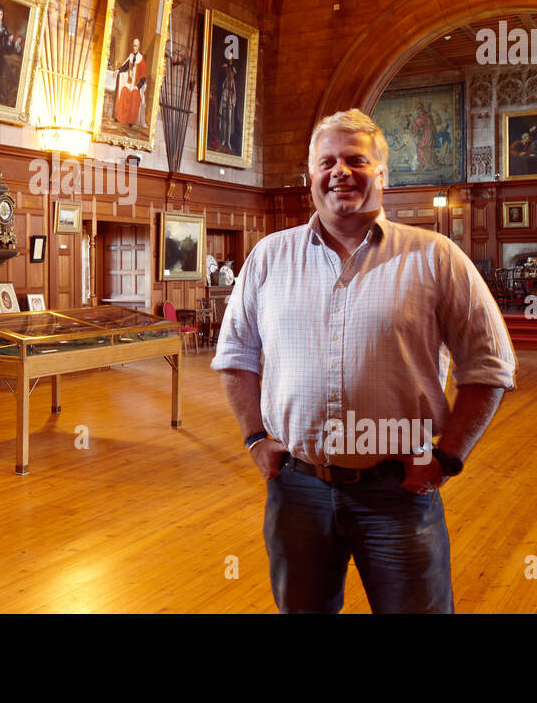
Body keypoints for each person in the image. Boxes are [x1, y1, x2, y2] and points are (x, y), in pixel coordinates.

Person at [213, 108, 515, 613]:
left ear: (382, 173)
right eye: (327, 161)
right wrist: (253, 438)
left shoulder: (435, 257)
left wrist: (447, 459)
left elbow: (489, 366)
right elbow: (236, 353)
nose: (340, 172)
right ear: (310, 174)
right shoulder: (269, 256)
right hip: (297, 489)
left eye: (356, 160)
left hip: (398, 489)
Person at [113, 37, 147, 126]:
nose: (134, 47)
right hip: (129, 83)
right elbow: (125, 67)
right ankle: (119, 117)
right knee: (124, 91)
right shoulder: (131, 56)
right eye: (133, 45)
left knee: (135, 95)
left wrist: (138, 86)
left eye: (136, 46)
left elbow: (143, 77)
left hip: (136, 84)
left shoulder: (141, 59)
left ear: (138, 47)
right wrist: (118, 70)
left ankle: (130, 121)